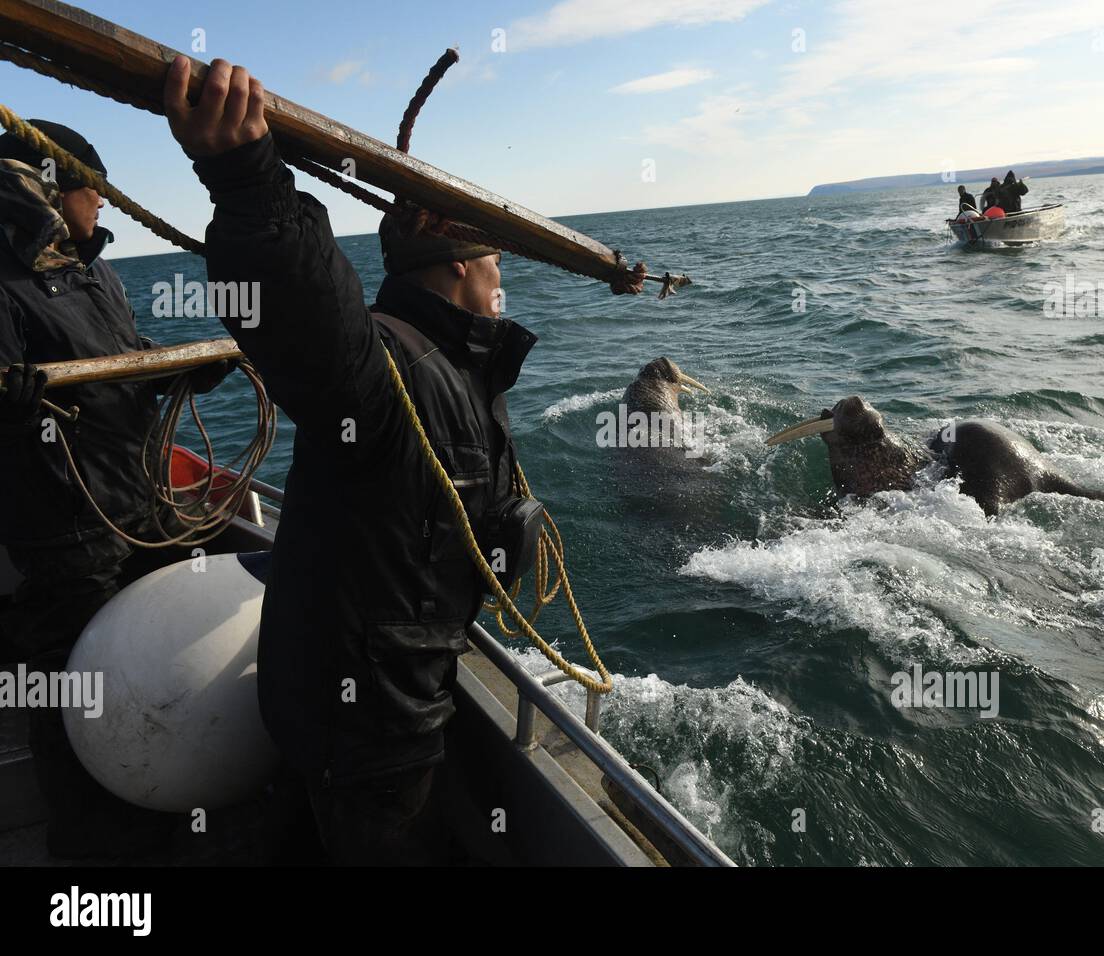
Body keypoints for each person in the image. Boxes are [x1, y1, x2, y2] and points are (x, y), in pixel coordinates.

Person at [162, 56, 644, 864]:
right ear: (458, 264)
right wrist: (246, 178)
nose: (502, 277)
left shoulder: (456, 363)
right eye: (496, 260)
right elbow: (305, 322)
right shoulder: (386, 370)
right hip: (366, 721)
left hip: (383, 696)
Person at [0, 119, 231, 857]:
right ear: (42, 186)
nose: (100, 199)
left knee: (154, 679)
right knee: (76, 703)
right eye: (86, 185)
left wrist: (196, 364)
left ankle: (168, 816)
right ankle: (91, 857)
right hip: (64, 535)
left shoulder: (94, 273)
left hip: (138, 513)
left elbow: (127, 365)